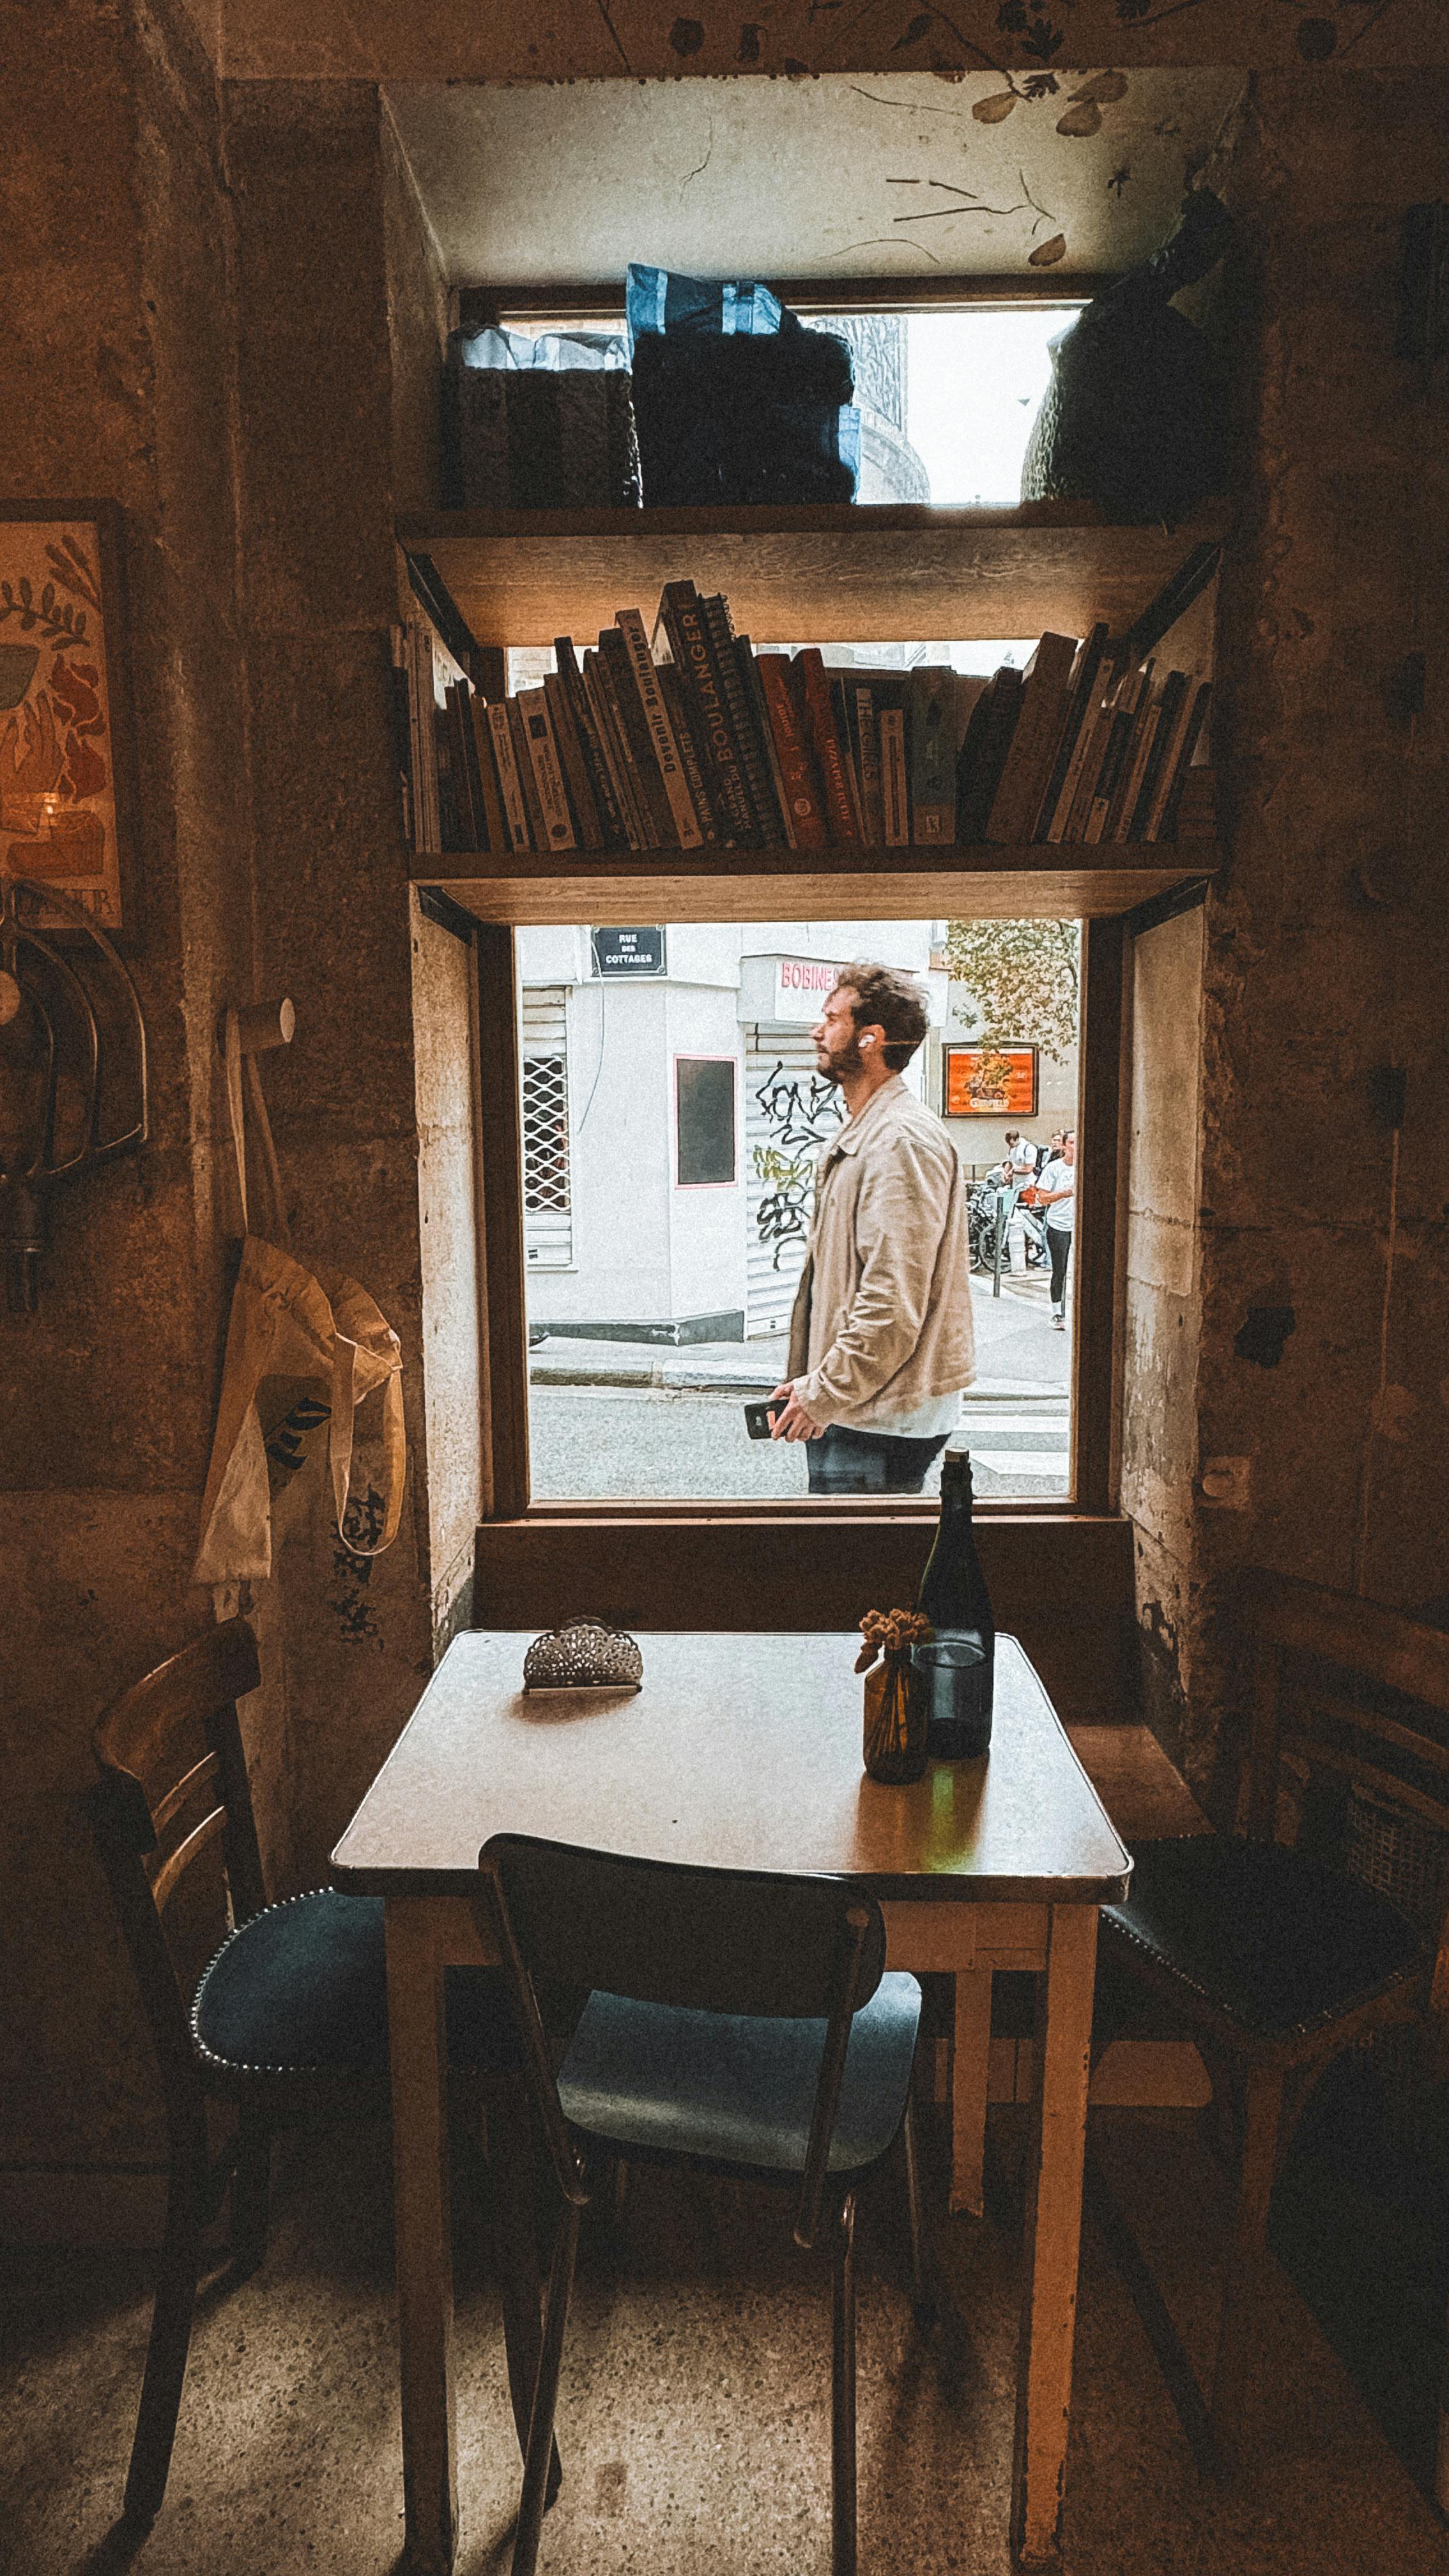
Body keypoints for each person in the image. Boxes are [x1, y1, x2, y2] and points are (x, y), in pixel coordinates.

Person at [767, 963, 975, 1494]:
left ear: (870, 1038)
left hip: (881, 1414)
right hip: (863, 1403)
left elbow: (892, 1299)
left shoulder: (899, 1142)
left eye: (832, 1019)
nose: (817, 1031)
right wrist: (812, 1383)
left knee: (853, 1571)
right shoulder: (872, 1131)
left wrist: (826, 1392)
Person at [1035, 1129, 1075, 1329]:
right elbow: (1042, 1198)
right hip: (1058, 1224)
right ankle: (1057, 1313)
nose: (1076, 1148)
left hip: (1079, 1225)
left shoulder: (1085, 1167)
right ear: (1065, 1146)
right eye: (1073, 1143)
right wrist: (1065, 1193)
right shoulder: (1054, 1168)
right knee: (1059, 1270)